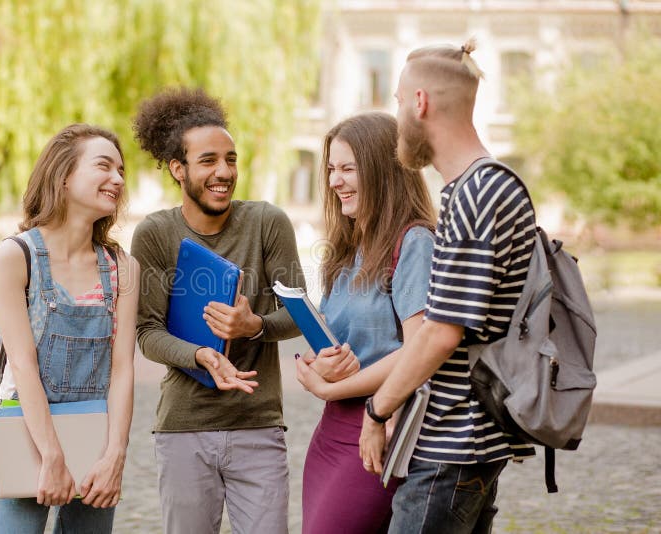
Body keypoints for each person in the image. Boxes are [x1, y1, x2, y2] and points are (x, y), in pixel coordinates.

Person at [357, 39, 537, 533]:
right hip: (470, 443)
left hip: (453, 445)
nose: (395, 117)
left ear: (420, 103)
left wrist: (377, 411)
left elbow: (441, 332)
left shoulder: (475, 193)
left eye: (396, 101)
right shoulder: (484, 185)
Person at [130, 87, 316, 534]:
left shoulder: (267, 223)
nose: (224, 172)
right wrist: (200, 355)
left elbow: (301, 313)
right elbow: (146, 332)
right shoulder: (154, 234)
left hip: (257, 426)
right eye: (208, 160)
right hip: (183, 429)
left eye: (230, 159)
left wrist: (254, 327)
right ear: (178, 168)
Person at [0, 124, 138, 533]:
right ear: (64, 175)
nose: (118, 179)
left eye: (122, 171)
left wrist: (115, 456)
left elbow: (123, 367)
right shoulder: (15, 257)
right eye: (104, 166)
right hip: (26, 436)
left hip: (96, 440)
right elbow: (22, 363)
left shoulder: (121, 267)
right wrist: (51, 456)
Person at [294, 112, 435, 534]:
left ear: (383, 171)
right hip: (331, 430)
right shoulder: (347, 248)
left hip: (380, 425)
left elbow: (420, 351)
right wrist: (321, 366)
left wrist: (330, 386)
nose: (335, 181)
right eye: (332, 169)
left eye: (348, 169)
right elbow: (337, 340)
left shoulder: (415, 243)